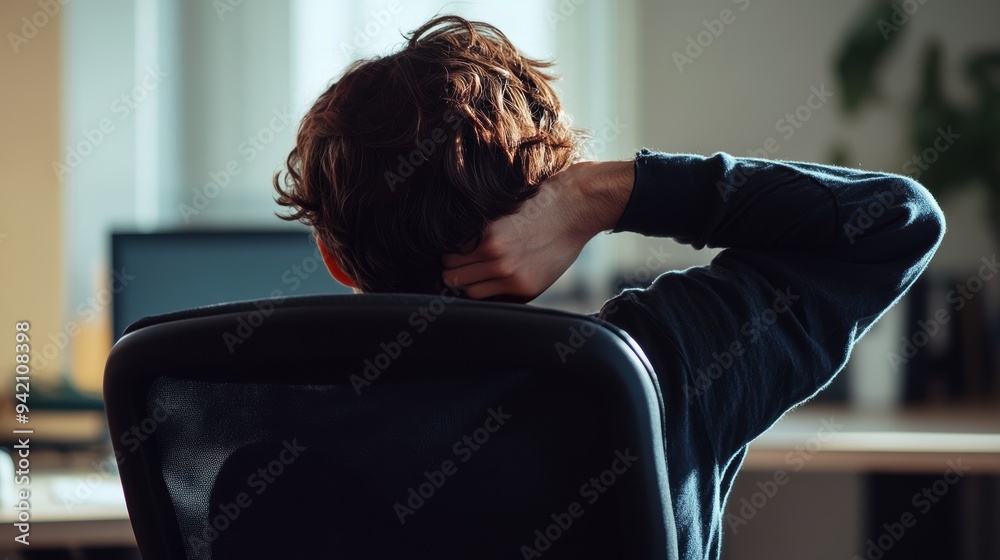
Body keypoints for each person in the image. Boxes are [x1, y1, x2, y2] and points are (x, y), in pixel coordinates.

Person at [273, 15, 945, 560]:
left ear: (333, 257)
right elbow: (892, 220)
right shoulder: (658, 366)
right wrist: (600, 196)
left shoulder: (255, 441)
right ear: (537, 222)